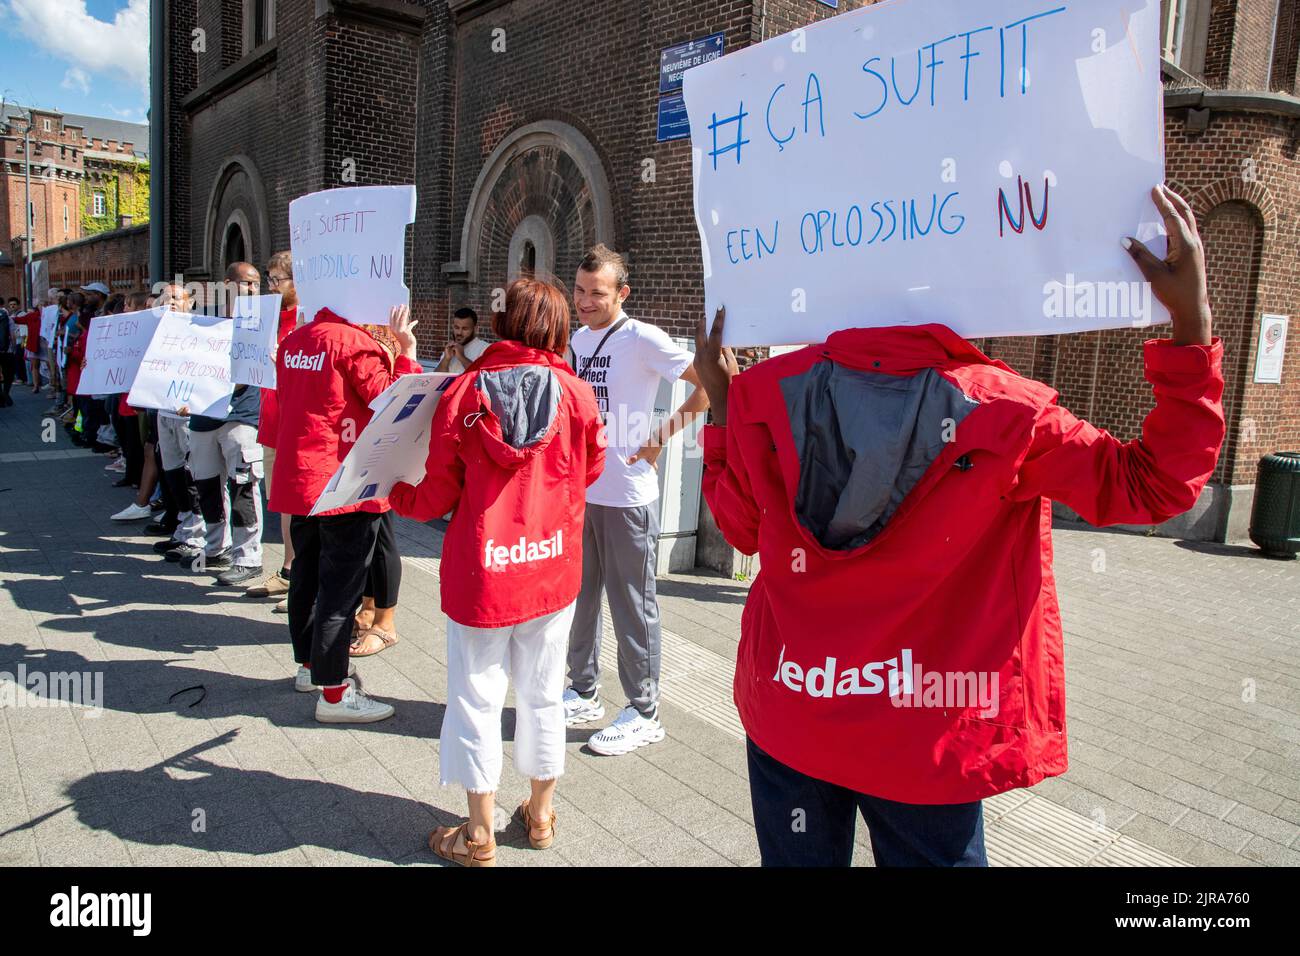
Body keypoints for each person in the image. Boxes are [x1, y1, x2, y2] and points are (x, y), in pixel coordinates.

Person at [691, 185, 1226, 867]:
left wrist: (723, 408)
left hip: (794, 706)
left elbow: (741, 530)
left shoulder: (766, 395)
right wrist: (1190, 326)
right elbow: (1153, 485)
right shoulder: (1009, 414)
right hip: (925, 738)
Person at [390, 277, 606, 866]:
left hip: (484, 571)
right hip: (552, 568)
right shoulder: (578, 395)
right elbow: (590, 470)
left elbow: (435, 493)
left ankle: (479, 833)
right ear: (560, 329)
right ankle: (540, 815)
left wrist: (392, 495)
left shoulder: (464, 393)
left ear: (502, 323)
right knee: (544, 696)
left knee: (475, 697)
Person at [562, 244, 710, 755]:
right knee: (579, 598)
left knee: (632, 603)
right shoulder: (577, 341)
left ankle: (644, 712)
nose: (584, 301)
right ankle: (582, 691)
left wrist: (661, 436)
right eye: (578, 291)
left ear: (621, 293)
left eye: (596, 293)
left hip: (627, 495)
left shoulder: (643, 338)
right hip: (582, 492)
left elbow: (708, 386)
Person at [271, 302, 420, 723]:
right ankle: (334, 695)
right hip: (345, 481)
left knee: (305, 576)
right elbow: (392, 405)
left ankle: (308, 668)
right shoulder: (353, 343)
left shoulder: (295, 340)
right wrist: (405, 353)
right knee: (340, 588)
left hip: (303, 477)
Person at [185, 261, 264, 584]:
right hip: (203, 416)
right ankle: (216, 547)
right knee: (206, 485)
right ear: (227, 284)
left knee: (244, 484)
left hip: (241, 416)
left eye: (257, 284)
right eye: (246, 283)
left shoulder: (262, 323)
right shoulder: (205, 323)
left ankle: (248, 557)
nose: (252, 290)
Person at [246, 251, 301, 604]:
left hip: (297, 425)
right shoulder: (266, 317)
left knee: (301, 505)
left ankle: (303, 579)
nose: (270, 286)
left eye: (276, 279)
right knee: (281, 503)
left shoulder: (307, 319)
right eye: (268, 279)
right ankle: (289, 570)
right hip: (271, 420)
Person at [434, 306, 488, 374]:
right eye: (456, 327)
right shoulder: (450, 348)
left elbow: (481, 377)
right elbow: (437, 378)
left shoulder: (485, 349)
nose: (459, 332)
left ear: (475, 329)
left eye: (465, 329)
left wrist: (461, 357)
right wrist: (446, 359)